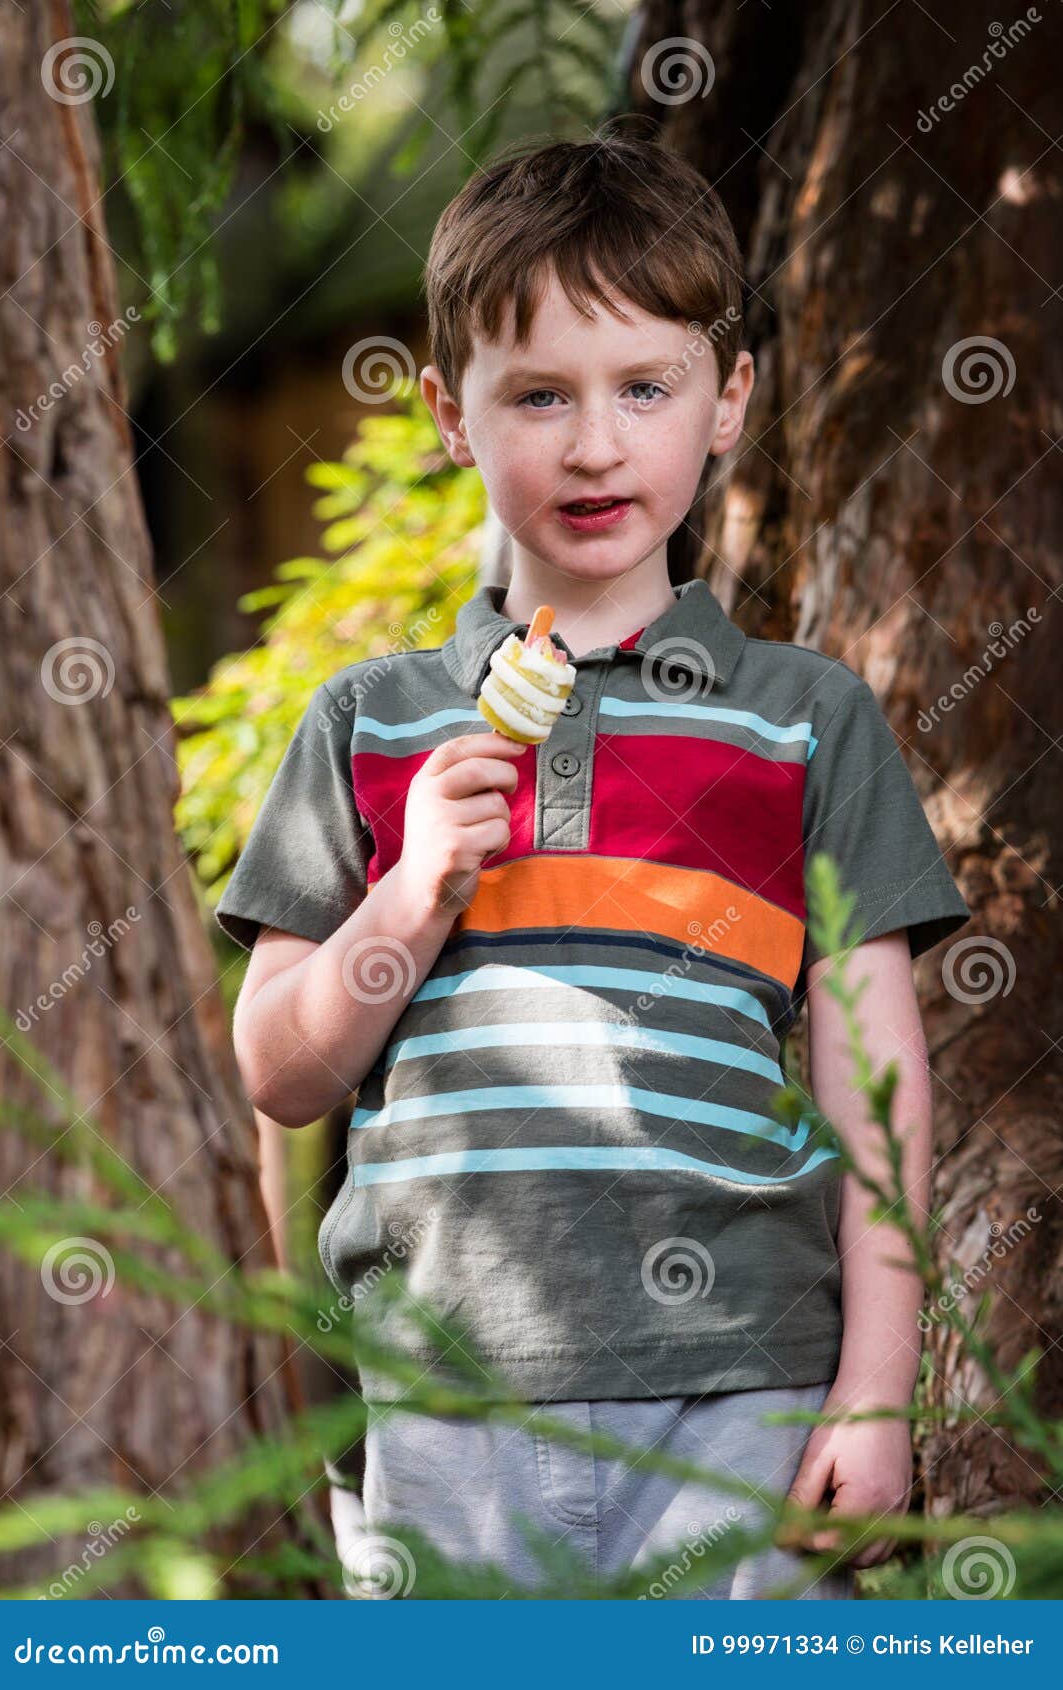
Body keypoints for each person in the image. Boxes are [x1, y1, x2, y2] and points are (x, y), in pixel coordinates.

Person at [215, 136, 970, 1600]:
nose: (595, 445)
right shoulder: (368, 722)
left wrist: (881, 1385)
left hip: (743, 1376)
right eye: (539, 394)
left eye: (645, 387)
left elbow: (877, 1079)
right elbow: (278, 1068)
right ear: (449, 413)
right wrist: (408, 894)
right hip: (443, 1390)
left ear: (729, 399)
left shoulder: (808, 720)